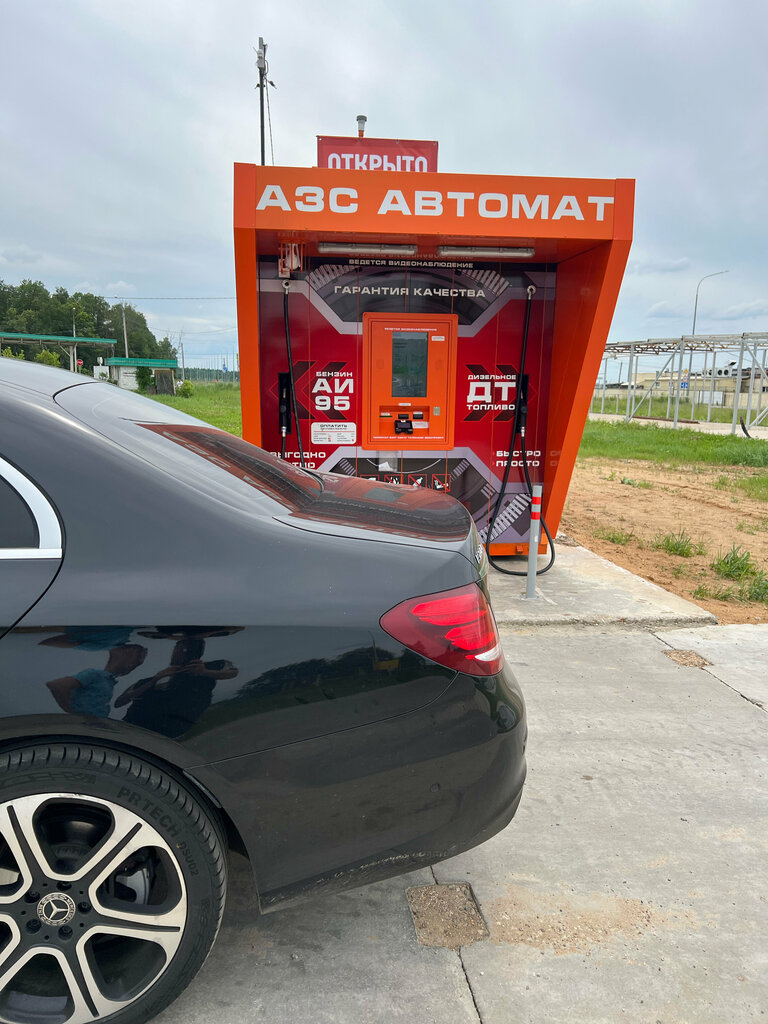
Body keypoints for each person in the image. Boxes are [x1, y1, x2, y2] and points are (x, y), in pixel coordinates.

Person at [46, 644, 147, 717]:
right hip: (85, 728)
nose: (132, 666)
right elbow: (57, 685)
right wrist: (71, 711)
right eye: (134, 660)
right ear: (121, 654)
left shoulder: (108, 681)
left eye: (137, 664)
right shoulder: (94, 674)